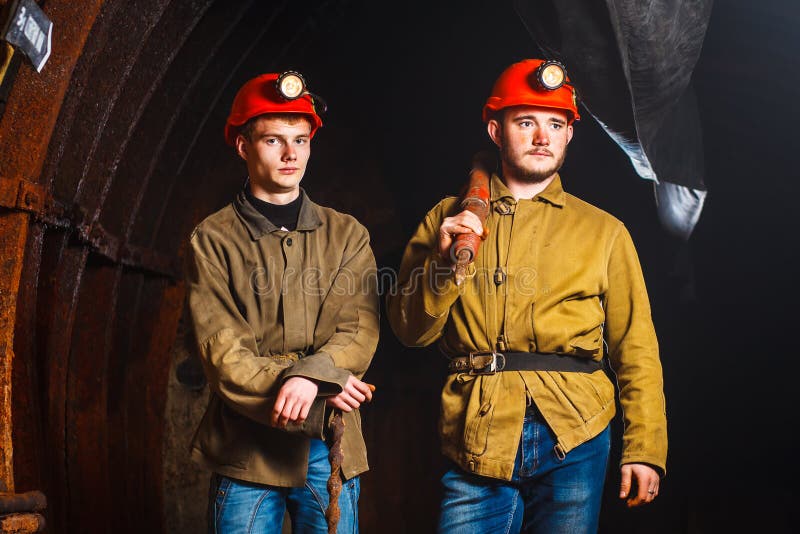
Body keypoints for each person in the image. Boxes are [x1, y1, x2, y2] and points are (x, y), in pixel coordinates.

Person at [386, 58, 667, 533]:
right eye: (526, 122)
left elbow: (635, 346)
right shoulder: (447, 221)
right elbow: (409, 332)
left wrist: (645, 448)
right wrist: (442, 266)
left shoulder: (604, 233)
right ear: (495, 130)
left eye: (555, 124)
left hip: (576, 432)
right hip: (477, 429)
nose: (542, 137)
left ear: (569, 135)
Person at [185, 71, 379, 533]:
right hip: (244, 456)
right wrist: (317, 382)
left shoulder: (347, 235)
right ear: (243, 147)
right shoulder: (212, 240)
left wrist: (309, 379)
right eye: (274, 140)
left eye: (301, 139)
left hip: (329, 450)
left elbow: (358, 331)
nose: (291, 154)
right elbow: (224, 353)